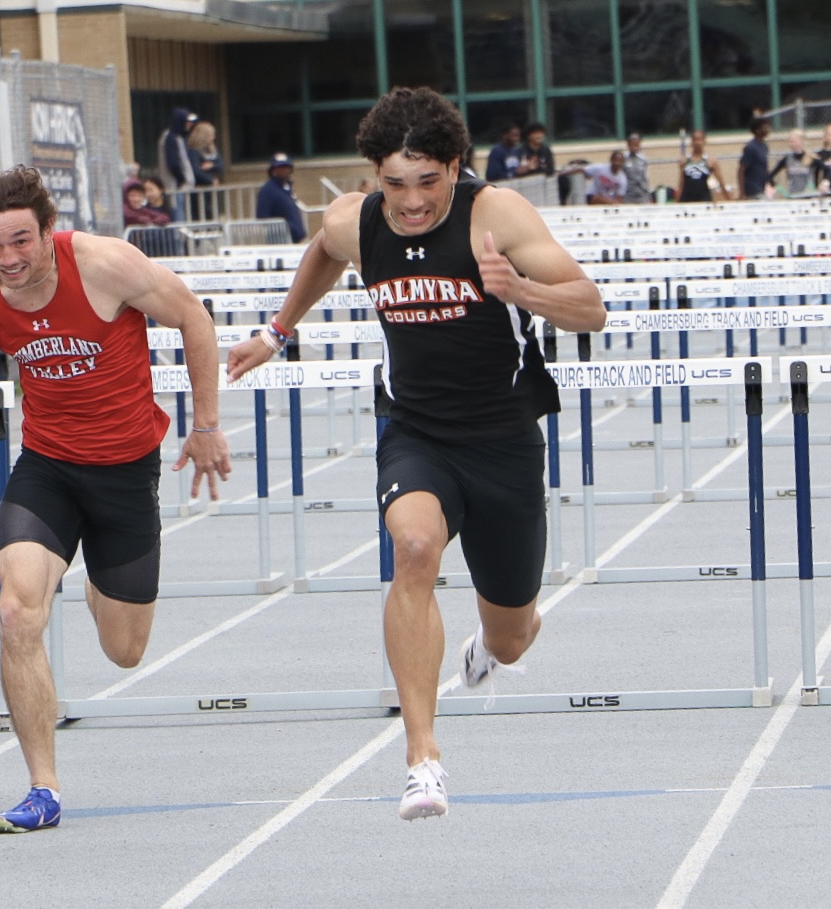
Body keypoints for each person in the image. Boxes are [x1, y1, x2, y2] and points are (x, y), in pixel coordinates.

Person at [224, 86, 604, 821]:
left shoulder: (496, 215)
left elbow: (591, 306)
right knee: (415, 547)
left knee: (515, 635)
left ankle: (495, 645)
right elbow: (322, 253)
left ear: (455, 168)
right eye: (394, 184)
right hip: (417, 432)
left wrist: (518, 288)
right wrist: (276, 333)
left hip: (503, 441)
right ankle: (422, 757)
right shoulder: (355, 219)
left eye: (428, 182)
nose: (411, 202)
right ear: (374, 178)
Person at [0, 165, 231, 832]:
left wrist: (204, 426)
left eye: (21, 241)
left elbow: (193, 317)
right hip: (48, 468)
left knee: (125, 650)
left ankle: (92, 580)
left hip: (125, 469)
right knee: (15, 611)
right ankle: (43, 788)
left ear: (47, 231)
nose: (9, 260)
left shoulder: (105, 265)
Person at [155, 107, 198, 220]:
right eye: (187, 122)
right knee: (177, 215)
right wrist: (182, 179)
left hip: (180, 186)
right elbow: (173, 163)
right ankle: (178, 237)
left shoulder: (179, 137)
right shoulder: (170, 138)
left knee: (182, 212)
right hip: (174, 186)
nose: (190, 125)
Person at [255, 152, 308, 243]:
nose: (284, 170)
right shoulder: (267, 190)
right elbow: (262, 216)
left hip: (295, 240)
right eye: (280, 167)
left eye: (286, 167)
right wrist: (284, 226)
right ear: (273, 170)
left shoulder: (287, 187)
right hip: (279, 242)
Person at [560, 150, 628, 204]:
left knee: (615, 203)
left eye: (619, 161)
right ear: (611, 160)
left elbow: (619, 198)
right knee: (600, 199)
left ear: (622, 162)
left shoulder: (622, 179)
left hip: (609, 200)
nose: (616, 163)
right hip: (593, 196)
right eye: (615, 160)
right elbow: (581, 169)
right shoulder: (601, 168)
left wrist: (614, 203)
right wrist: (561, 173)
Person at [677, 128, 727, 202]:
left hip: (704, 200)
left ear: (704, 141)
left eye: (700, 139)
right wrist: (677, 201)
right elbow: (681, 184)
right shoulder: (684, 161)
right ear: (692, 141)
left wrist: (729, 199)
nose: (697, 143)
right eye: (695, 139)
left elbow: (721, 183)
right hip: (686, 200)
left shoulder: (710, 161)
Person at [768, 128, 819, 197]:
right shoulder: (787, 159)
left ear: (801, 141)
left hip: (808, 196)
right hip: (793, 195)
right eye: (790, 142)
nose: (791, 144)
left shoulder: (811, 158)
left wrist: (821, 185)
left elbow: (827, 170)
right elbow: (770, 176)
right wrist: (781, 190)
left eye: (794, 141)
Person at [736, 116, 772, 200]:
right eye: (765, 127)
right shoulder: (751, 147)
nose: (768, 129)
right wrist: (742, 192)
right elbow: (741, 170)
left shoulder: (764, 146)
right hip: (752, 190)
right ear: (757, 130)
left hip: (762, 188)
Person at [621, 132, 653, 203]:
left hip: (642, 193)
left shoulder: (642, 159)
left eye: (637, 144)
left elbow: (645, 177)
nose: (635, 147)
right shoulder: (623, 158)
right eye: (633, 144)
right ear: (628, 144)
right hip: (628, 194)